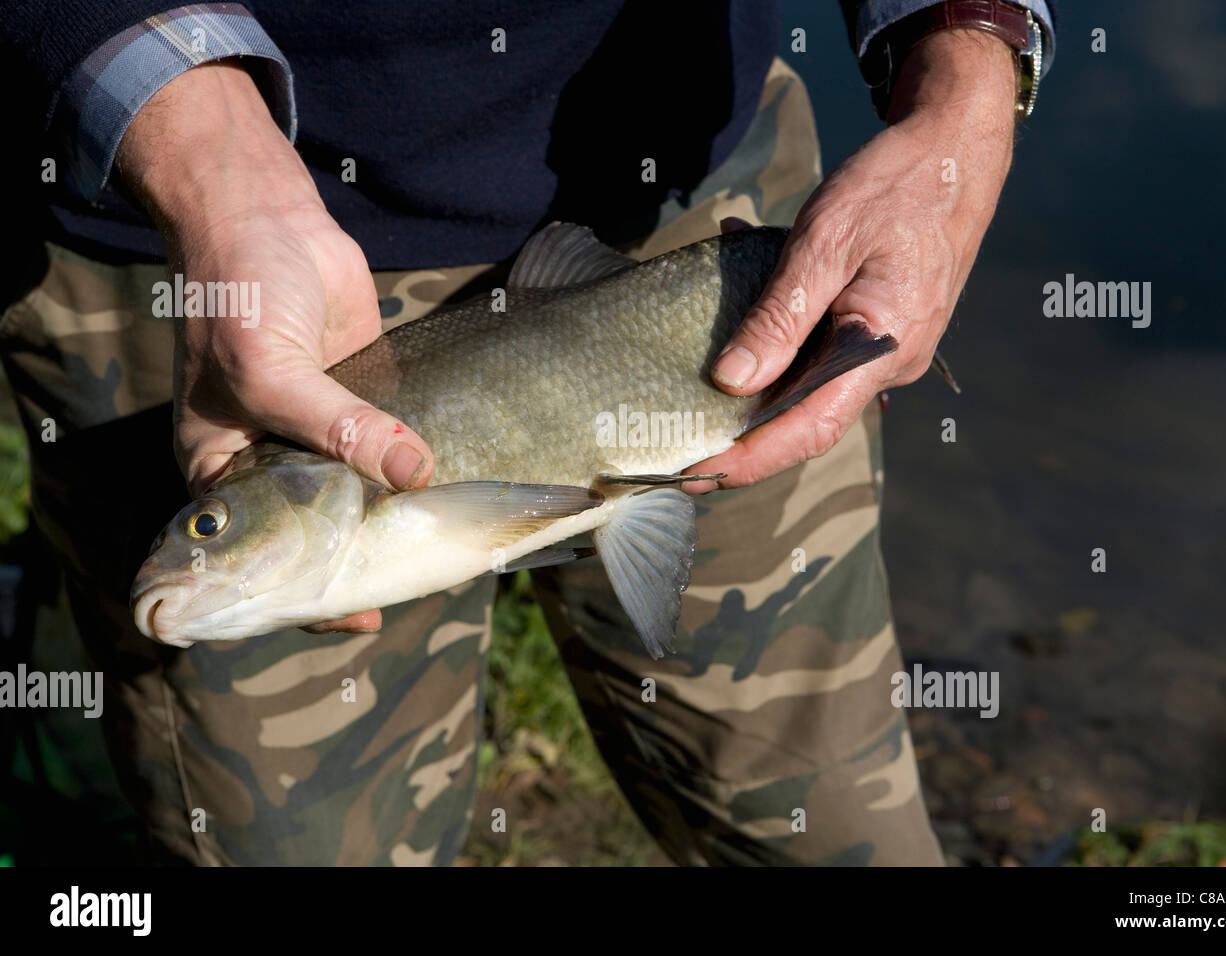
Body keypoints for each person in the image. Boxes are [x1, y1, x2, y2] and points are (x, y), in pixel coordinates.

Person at [1, 1, 1054, 865]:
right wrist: (208, 158)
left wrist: (967, 62)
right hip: (201, 251)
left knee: (832, 823)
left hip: (695, 224)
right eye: (208, 527)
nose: (198, 537)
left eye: (209, 526)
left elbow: (966, 57)